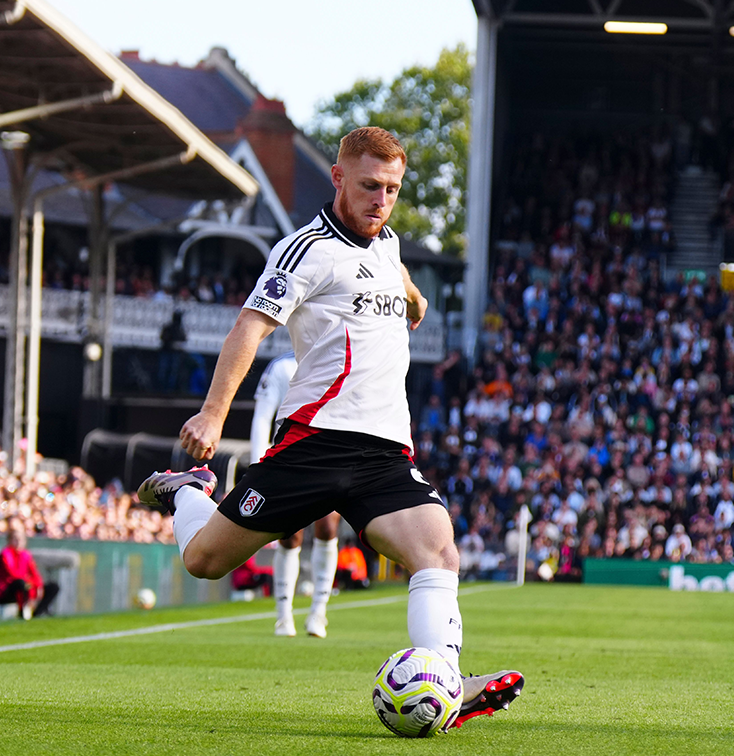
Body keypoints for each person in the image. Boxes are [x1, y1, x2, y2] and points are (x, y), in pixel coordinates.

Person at [137, 127, 524, 728]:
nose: (381, 199)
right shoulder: (307, 250)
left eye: (393, 188)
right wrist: (213, 414)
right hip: (313, 445)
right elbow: (248, 327)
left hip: (386, 454)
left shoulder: (388, 242)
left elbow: (394, 276)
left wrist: (416, 303)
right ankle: (186, 489)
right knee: (205, 561)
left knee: (438, 552)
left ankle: (448, 682)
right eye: (370, 185)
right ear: (339, 178)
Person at [251, 352, 340, 638]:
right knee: (290, 535)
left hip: (329, 457)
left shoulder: (340, 358)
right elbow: (262, 417)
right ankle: (283, 615)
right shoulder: (282, 367)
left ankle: (318, 611)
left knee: (327, 527)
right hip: (289, 458)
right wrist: (257, 466)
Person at [0, 526, 59, 619]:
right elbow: (13, 573)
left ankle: (37, 613)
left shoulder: (26, 554)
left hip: (27, 585)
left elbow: (34, 573)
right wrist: (30, 583)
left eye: (20, 539)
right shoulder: (5, 554)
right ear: (9, 540)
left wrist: (38, 585)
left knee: (53, 587)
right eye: (15, 539)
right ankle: (22, 613)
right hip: (7, 589)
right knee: (21, 584)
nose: (18, 542)